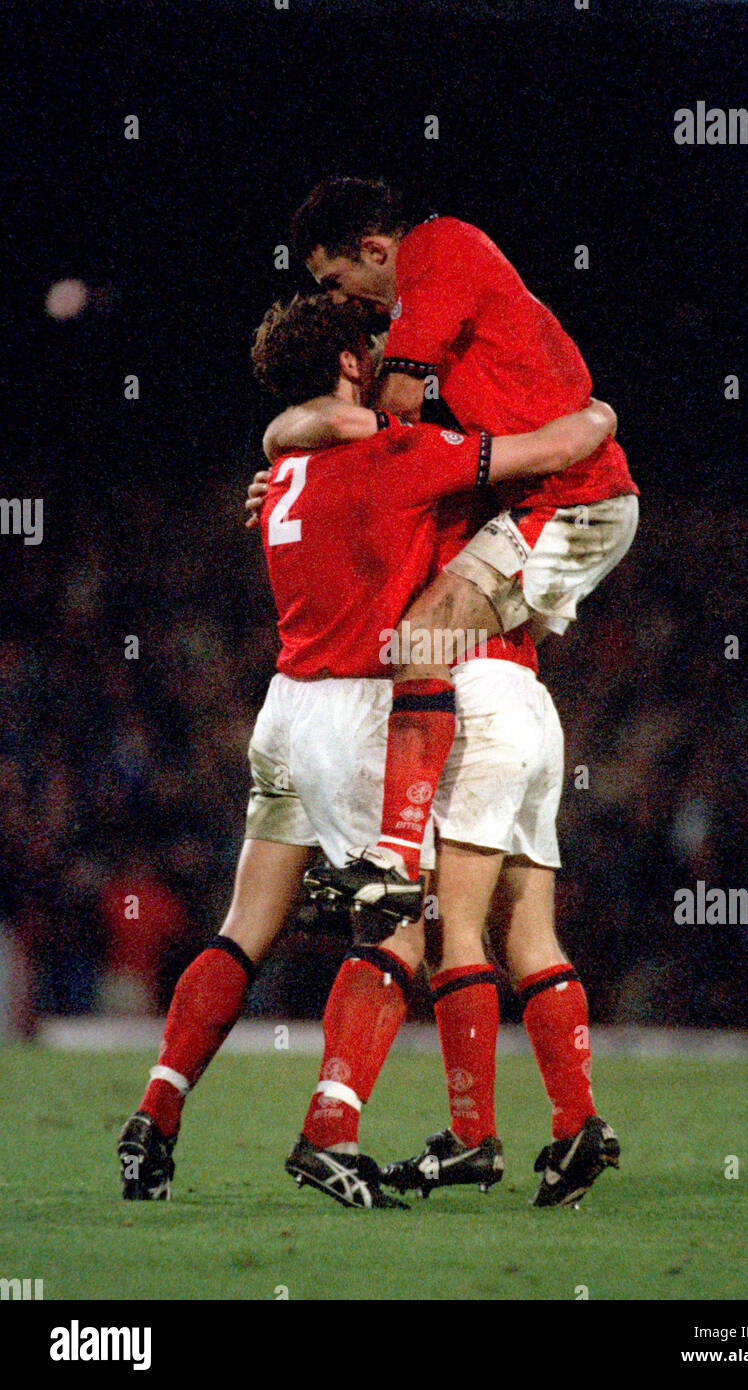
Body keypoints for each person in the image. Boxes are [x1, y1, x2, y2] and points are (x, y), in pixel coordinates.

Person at [117, 292, 619, 1209]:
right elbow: (554, 451)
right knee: (405, 924)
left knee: (245, 926)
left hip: (283, 707)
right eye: (387, 349)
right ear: (354, 359)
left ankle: (157, 1109)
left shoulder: (291, 469)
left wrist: (289, 435)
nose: (407, 361)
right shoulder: (399, 453)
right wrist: (600, 413)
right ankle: (335, 1133)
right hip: (367, 703)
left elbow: (293, 439)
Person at [263, 177, 639, 907]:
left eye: (335, 282)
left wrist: (297, 442)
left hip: (573, 502)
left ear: (375, 249)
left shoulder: (436, 250)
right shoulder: (442, 275)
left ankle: (396, 860)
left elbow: (395, 410)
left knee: (423, 634)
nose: (343, 305)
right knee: (513, 935)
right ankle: (401, 858)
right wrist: (290, 447)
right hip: (545, 497)